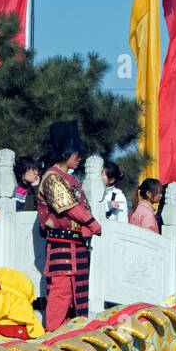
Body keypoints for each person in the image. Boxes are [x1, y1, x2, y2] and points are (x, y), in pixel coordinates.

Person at [36, 121, 101, 329]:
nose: (79, 157)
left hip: (78, 246)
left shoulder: (71, 179)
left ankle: (70, 337)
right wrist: (92, 224)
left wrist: (87, 226)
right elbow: (69, 207)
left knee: (76, 297)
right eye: (76, 153)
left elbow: (83, 206)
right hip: (62, 246)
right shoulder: (52, 177)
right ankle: (51, 339)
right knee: (61, 291)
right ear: (66, 152)